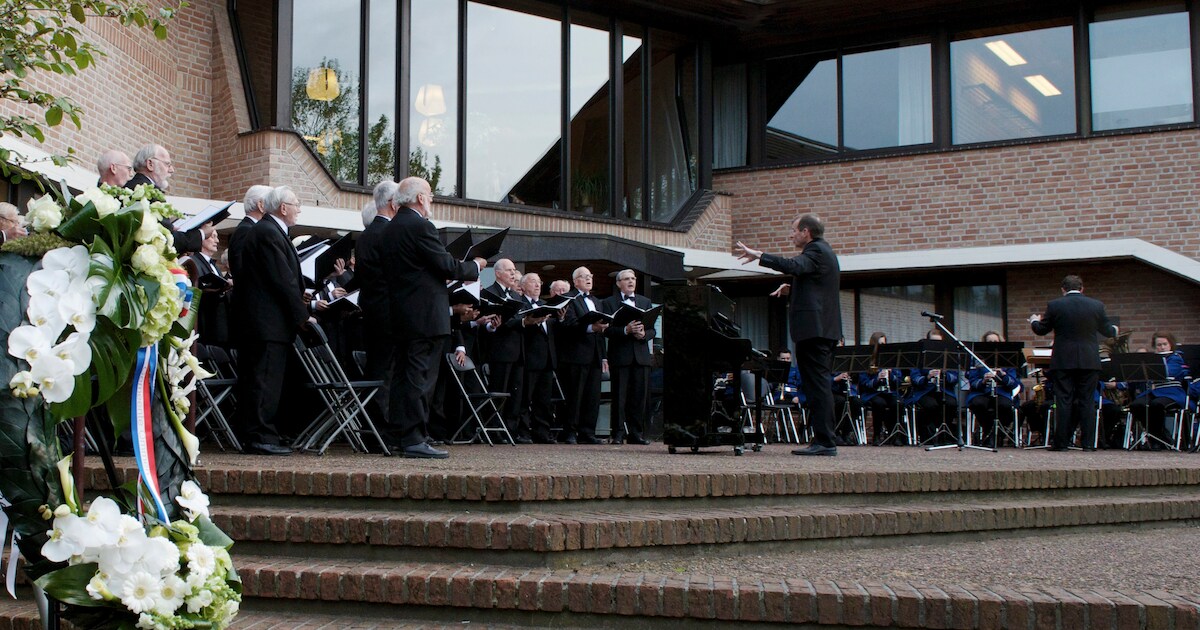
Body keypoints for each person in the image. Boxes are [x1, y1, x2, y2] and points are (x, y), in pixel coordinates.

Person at [379, 176, 486, 458]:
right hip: (425, 317)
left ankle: (402, 436)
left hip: (402, 316)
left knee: (404, 377)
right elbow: (446, 265)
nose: (432, 200)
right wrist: (475, 266)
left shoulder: (391, 229)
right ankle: (414, 439)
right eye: (430, 195)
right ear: (420, 198)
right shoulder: (420, 226)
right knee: (420, 378)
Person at [735, 214, 842, 456]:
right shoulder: (823, 253)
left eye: (794, 230)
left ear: (807, 232)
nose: (791, 234)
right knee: (817, 385)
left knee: (817, 386)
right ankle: (824, 440)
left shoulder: (815, 251)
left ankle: (825, 442)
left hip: (815, 332)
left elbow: (794, 266)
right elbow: (818, 287)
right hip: (820, 330)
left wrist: (760, 255)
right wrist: (793, 290)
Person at [230, 186, 313, 455]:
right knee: (263, 380)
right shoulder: (267, 232)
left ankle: (263, 433)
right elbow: (282, 280)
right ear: (283, 207)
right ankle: (259, 436)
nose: (299, 208)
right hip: (266, 323)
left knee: (265, 379)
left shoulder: (270, 230)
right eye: (297, 203)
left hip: (269, 323)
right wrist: (302, 316)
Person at [1030, 274, 1118, 451]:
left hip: (1064, 360)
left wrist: (1034, 321)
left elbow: (1041, 330)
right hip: (1089, 360)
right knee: (1087, 401)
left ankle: (1061, 443)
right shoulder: (1096, 305)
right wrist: (1115, 329)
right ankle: (1088, 444)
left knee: (1063, 400)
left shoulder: (1055, 305)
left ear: (1063, 289)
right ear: (1082, 288)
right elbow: (1109, 331)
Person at [555, 266, 609, 444]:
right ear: (575, 281)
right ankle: (570, 431)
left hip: (594, 355)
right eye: (584, 276)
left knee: (592, 397)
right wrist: (589, 327)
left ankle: (588, 432)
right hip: (576, 355)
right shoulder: (569, 299)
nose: (588, 279)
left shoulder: (597, 302)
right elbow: (568, 326)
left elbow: (600, 334)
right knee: (575, 395)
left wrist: (603, 357)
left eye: (590, 276)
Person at [125, 144, 209, 256]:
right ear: (150, 164)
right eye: (167, 164)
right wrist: (201, 234)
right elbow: (162, 240)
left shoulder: (130, 187)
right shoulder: (147, 192)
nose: (171, 170)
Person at [602, 269, 656, 445]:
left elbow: (652, 329)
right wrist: (626, 330)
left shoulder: (645, 301)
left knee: (639, 396)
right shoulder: (609, 303)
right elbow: (607, 330)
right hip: (620, 355)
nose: (631, 281)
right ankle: (617, 433)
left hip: (641, 356)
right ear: (619, 283)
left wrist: (644, 334)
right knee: (619, 396)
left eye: (633, 279)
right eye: (626, 279)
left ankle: (636, 433)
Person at [481, 258, 527, 442]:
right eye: (509, 270)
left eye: (514, 270)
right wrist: (493, 326)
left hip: (517, 350)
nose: (513, 274)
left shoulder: (517, 296)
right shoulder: (488, 292)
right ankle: (494, 430)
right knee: (499, 391)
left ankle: (510, 431)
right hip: (499, 350)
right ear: (498, 273)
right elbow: (484, 323)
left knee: (515, 394)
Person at [515, 272, 560, 444]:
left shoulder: (545, 305)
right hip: (529, 357)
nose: (537, 285)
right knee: (526, 397)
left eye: (539, 282)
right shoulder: (520, 305)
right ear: (523, 286)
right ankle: (524, 432)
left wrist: (560, 318)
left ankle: (542, 432)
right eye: (533, 282)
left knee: (544, 399)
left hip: (547, 358)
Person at [1127, 332, 1189, 449]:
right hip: (1154, 392)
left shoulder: (1176, 358)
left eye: (1165, 344)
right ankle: (1160, 436)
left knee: (1157, 405)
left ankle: (1157, 439)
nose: (1162, 347)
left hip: (1172, 392)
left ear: (1171, 345)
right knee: (1136, 405)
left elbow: (1169, 373)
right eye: (1159, 345)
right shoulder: (1152, 359)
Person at [965, 331, 1021, 447]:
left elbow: (1014, 383)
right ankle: (988, 430)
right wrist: (983, 380)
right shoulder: (977, 358)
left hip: (1002, 391)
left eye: (995, 341)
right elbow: (972, 380)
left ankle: (997, 434)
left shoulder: (1008, 358)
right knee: (978, 403)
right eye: (989, 342)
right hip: (981, 392)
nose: (992, 344)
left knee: (1005, 406)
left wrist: (1003, 375)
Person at [859, 331, 902, 445]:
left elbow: (899, 380)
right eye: (880, 344)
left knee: (898, 403)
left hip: (889, 392)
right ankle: (877, 434)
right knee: (879, 403)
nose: (883, 347)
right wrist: (877, 379)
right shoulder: (867, 360)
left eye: (884, 344)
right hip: (873, 393)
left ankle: (894, 434)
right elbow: (863, 383)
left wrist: (891, 375)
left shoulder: (891, 360)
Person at [228, 184, 271, 283]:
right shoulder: (247, 231)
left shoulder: (251, 229)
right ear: (261, 205)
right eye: (272, 203)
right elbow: (243, 270)